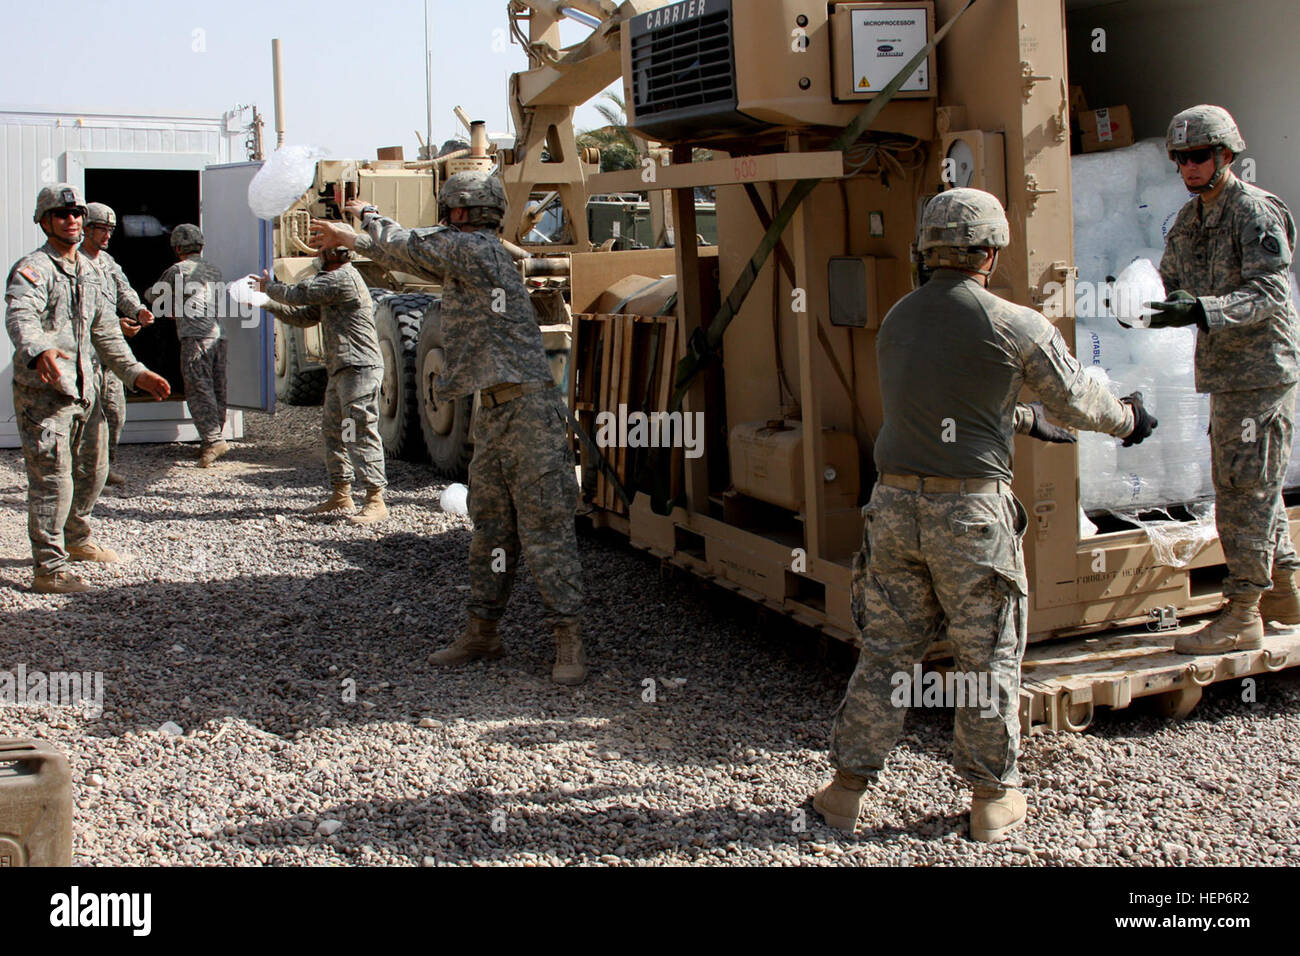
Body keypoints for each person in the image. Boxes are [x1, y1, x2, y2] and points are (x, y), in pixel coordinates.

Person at [813, 188, 1157, 841]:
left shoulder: (897, 320)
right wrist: (1131, 418)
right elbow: (1082, 400)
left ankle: (845, 790)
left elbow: (941, 402)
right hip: (970, 516)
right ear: (991, 251)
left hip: (892, 507)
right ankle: (991, 798)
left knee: (888, 650)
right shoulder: (1015, 323)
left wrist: (1019, 419)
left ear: (927, 248)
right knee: (988, 655)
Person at [308, 172, 586, 684]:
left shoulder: (478, 250)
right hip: (498, 412)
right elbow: (414, 251)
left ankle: (568, 640)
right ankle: (483, 631)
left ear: (462, 213)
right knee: (491, 529)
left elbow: (412, 248)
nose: (446, 218)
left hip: (526, 413)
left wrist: (357, 233)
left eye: (450, 211)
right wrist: (366, 214)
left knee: (544, 529)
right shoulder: (469, 256)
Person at [1137, 105, 1300, 655]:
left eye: (1199, 156)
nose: (1189, 167)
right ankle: (1284, 593)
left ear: (1227, 155)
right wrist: (1146, 306)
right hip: (1227, 376)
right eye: (1180, 158)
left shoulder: (1252, 213)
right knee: (1255, 485)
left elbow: (1270, 294)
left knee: (1242, 490)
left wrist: (1203, 310)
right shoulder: (1190, 220)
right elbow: (1170, 282)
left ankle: (1244, 612)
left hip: (1260, 374)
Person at [5, 184, 171, 594]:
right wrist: (39, 349)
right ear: (45, 222)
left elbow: (106, 333)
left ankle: (76, 539)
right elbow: (20, 316)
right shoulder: (33, 269)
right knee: (52, 479)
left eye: (76, 213)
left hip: (87, 391)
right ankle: (49, 568)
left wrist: (136, 373)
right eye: (62, 215)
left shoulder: (93, 270)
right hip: (46, 397)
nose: (72, 220)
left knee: (94, 470)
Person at [257, 248, 388, 523]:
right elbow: (303, 316)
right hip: (342, 367)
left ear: (330, 255)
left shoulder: (340, 279)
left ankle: (375, 499)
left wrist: (269, 287)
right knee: (335, 432)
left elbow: (299, 294)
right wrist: (265, 301)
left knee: (359, 430)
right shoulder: (332, 284)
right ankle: (342, 494)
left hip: (358, 368)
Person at [81, 202, 155, 486]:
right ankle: (83, 474)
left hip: (109, 357)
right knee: (85, 417)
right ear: (86, 229)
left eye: (110, 230)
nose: (107, 236)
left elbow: (123, 290)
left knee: (114, 413)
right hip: (84, 356)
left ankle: (104, 468)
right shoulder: (74, 263)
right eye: (102, 229)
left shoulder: (107, 262)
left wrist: (137, 310)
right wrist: (116, 326)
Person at [150, 224, 227, 467]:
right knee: (216, 389)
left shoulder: (177, 270)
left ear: (178, 247)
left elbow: (154, 295)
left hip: (195, 338)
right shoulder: (213, 270)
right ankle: (214, 438)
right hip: (217, 336)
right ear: (201, 245)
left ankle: (213, 440)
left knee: (198, 389)